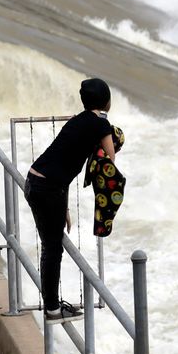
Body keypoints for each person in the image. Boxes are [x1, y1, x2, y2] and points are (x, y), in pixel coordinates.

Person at [26, 78, 118, 323]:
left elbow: (62, 164)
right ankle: (53, 309)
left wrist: (62, 207)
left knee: (50, 245)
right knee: (52, 248)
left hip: (37, 182)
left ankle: (52, 306)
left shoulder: (78, 120)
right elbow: (110, 159)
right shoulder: (100, 123)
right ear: (106, 101)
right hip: (47, 188)